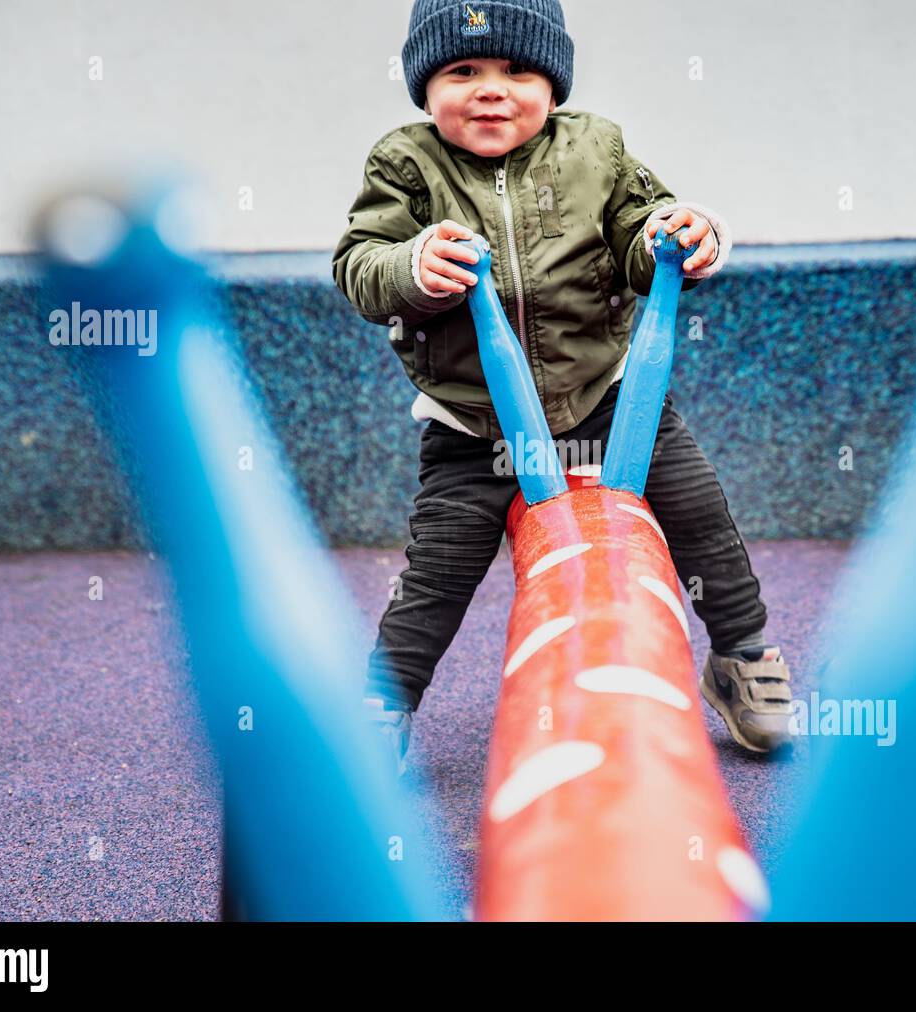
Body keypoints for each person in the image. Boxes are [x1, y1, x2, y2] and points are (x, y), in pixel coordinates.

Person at [333, 0, 794, 776]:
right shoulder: (404, 164)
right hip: (476, 424)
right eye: (462, 70)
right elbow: (359, 263)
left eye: (517, 70)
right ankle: (386, 699)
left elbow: (644, 229)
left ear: (553, 83)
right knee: (439, 565)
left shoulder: (596, 149)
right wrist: (411, 264)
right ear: (425, 85)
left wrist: (679, 233)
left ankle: (742, 654)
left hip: (612, 403)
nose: (491, 89)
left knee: (700, 514)